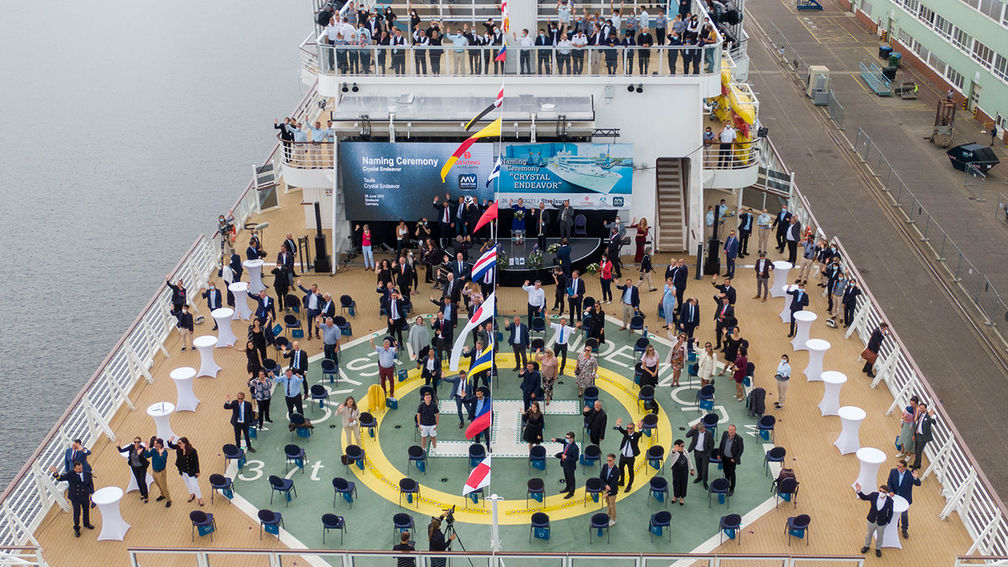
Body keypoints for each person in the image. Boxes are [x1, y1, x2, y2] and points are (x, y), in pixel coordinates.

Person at [48, 461, 94, 537]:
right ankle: (76, 528)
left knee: (86, 510)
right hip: (75, 497)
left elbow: (90, 484)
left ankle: (86, 523)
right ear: (75, 468)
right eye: (78, 469)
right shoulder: (70, 474)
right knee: (77, 512)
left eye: (81, 468)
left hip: (84, 495)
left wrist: (92, 493)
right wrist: (56, 473)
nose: (80, 469)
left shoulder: (87, 473)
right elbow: (60, 478)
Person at [854, 482, 895, 557]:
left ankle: (878, 548)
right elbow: (864, 497)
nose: (881, 493)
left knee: (880, 536)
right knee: (869, 533)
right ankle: (867, 546)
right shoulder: (874, 495)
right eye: (880, 491)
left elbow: (891, 512)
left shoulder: (890, 501)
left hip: (882, 522)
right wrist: (859, 491)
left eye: (883, 492)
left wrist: (887, 521)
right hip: (872, 519)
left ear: (887, 493)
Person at [887, 459, 920, 538]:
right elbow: (889, 482)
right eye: (897, 466)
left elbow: (918, 484)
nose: (898, 468)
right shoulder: (893, 471)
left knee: (904, 515)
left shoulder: (910, 474)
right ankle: (895, 524)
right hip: (894, 496)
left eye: (900, 467)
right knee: (893, 511)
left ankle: (904, 529)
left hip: (904, 498)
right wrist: (891, 491)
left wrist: (915, 478)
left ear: (904, 467)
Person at [167, 436, 202, 506]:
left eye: (180, 443)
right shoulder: (179, 449)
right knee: (187, 483)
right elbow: (171, 446)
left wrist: (197, 471)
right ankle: (191, 493)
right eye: (178, 443)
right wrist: (169, 441)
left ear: (185, 443)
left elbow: (196, 461)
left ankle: (199, 498)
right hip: (183, 470)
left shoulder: (192, 451)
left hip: (190, 471)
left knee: (195, 485)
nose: (178, 445)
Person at [116, 436, 150, 502]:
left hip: (142, 467)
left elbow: (145, 456)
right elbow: (122, 450)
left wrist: (140, 453)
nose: (136, 443)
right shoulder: (131, 447)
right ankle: (142, 494)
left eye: (138, 442)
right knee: (138, 481)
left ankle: (146, 496)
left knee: (142, 481)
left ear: (140, 442)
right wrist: (118, 446)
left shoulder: (142, 449)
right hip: (134, 467)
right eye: (135, 442)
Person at [613, 418, 642, 489]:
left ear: (633, 429)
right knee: (621, 469)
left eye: (630, 428)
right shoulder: (626, 432)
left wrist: (641, 429)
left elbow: (640, 435)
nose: (629, 430)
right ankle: (622, 481)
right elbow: (621, 430)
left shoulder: (635, 435)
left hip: (630, 458)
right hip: (623, 456)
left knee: (630, 472)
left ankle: (629, 485)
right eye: (628, 428)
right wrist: (618, 425)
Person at [144, 437, 172, 507]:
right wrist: (146, 449)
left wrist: (160, 455)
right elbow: (147, 456)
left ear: (160, 444)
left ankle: (168, 499)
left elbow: (163, 461)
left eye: (156, 444)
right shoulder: (154, 450)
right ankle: (162, 494)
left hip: (161, 472)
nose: (154, 445)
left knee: (163, 486)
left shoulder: (164, 452)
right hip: (155, 471)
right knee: (158, 484)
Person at [552, 431, 580, 498]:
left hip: (570, 466)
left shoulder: (575, 448)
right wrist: (556, 440)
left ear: (572, 438)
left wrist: (567, 457)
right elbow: (562, 440)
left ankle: (571, 492)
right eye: (566, 437)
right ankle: (567, 488)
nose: (566, 439)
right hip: (564, 463)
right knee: (566, 477)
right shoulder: (566, 442)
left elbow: (576, 458)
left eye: (568, 438)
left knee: (571, 479)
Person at [686, 422, 713, 489]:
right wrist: (693, 428)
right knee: (698, 466)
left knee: (705, 468)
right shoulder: (695, 431)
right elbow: (687, 435)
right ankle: (699, 477)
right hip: (697, 452)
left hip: (705, 453)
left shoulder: (709, 433)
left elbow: (712, 444)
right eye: (699, 430)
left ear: (704, 428)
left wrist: (708, 454)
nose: (700, 431)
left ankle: (704, 481)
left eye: (701, 430)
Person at [718, 424, 743, 496]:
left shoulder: (739, 439)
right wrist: (719, 454)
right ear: (728, 430)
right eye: (730, 430)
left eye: (732, 430)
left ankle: (732, 488)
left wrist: (734, 459)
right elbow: (721, 444)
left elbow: (740, 450)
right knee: (726, 472)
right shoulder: (725, 434)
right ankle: (726, 484)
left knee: (732, 474)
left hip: (732, 460)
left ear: (735, 431)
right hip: (724, 458)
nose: (731, 431)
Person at [911, 402, 937, 470]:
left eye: (922, 408)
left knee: (918, 452)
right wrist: (914, 435)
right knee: (916, 450)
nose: (921, 409)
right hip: (918, 435)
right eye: (920, 408)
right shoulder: (920, 414)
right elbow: (917, 424)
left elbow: (934, 423)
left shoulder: (928, 416)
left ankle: (915, 466)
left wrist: (931, 416)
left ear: (925, 408)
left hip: (923, 437)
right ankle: (918, 464)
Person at [669, 439, 695, 505]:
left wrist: (692, 469)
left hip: (684, 471)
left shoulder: (685, 451)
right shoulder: (674, 452)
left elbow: (689, 460)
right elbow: (672, 454)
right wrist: (674, 450)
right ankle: (675, 496)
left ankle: (682, 498)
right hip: (676, 471)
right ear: (677, 446)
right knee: (676, 483)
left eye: (683, 445)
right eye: (682, 446)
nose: (683, 447)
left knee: (683, 484)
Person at [897, 396, 920, 460]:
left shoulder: (917, 410)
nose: (911, 405)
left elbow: (915, 420)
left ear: (916, 403)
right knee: (902, 437)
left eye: (913, 404)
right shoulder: (908, 408)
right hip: (906, 424)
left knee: (910, 441)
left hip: (912, 427)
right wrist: (903, 420)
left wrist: (917, 411)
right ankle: (902, 451)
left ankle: (908, 454)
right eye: (911, 403)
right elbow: (902, 415)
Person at [600, 453, 620, 525]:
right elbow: (601, 477)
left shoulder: (617, 471)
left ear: (614, 460)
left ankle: (613, 519)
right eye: (607, 460)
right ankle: (609, 512)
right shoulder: (605, 466)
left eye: (610, 461)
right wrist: (605, 485)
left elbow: (614, 484)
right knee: (607, 502)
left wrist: (608, 494)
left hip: (612, 491)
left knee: (612, 505)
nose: (608, 462)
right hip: (605, 488)